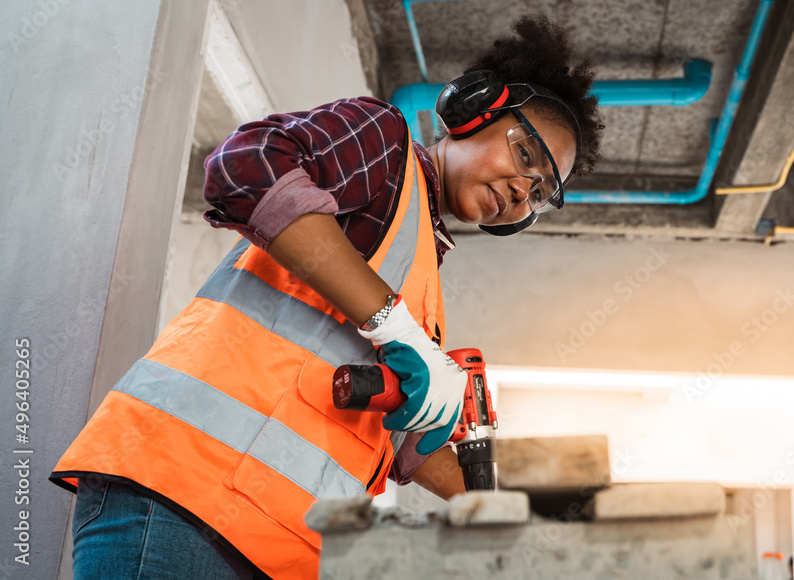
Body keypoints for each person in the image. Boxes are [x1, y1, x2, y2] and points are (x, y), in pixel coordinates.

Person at [51, 14, 603, 580]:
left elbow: (402, 443)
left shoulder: (421, 274)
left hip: (273, 543)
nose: (521, 190)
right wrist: (395, 327)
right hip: (185, 497)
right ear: (474, 110)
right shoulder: (385, 147)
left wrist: (522, 505)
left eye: (538, 194)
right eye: (526, 155)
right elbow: (246, 168)